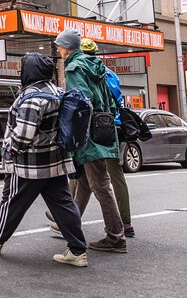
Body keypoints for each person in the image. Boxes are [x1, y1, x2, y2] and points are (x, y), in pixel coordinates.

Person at [0, 53, 88, 267]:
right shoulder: (57, 92)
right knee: (64, 205)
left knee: (12, 203)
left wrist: (10, 149)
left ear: (30, 72)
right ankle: (77, 250)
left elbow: (24, 135)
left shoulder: (32, 98)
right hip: (55, 161)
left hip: (30, 163)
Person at [54, 28, 126, 253]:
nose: (58, 49)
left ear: (67, 47)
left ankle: (116, 237)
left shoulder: (74, 68)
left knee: (100, 185)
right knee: (85, 183)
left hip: (88, 134)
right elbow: (109, 101)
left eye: (59, 45)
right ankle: (69, 226)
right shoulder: (96, 66)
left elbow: (81, 103)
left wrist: (72, 133)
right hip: (103, 128)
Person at [79, 38, 135, 238]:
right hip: (113, 125)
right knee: (114, 175)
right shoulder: (109, 73)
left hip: (96, 127)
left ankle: (66, 219)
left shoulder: (84, 71)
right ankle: (126, 222)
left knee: (83, 171)